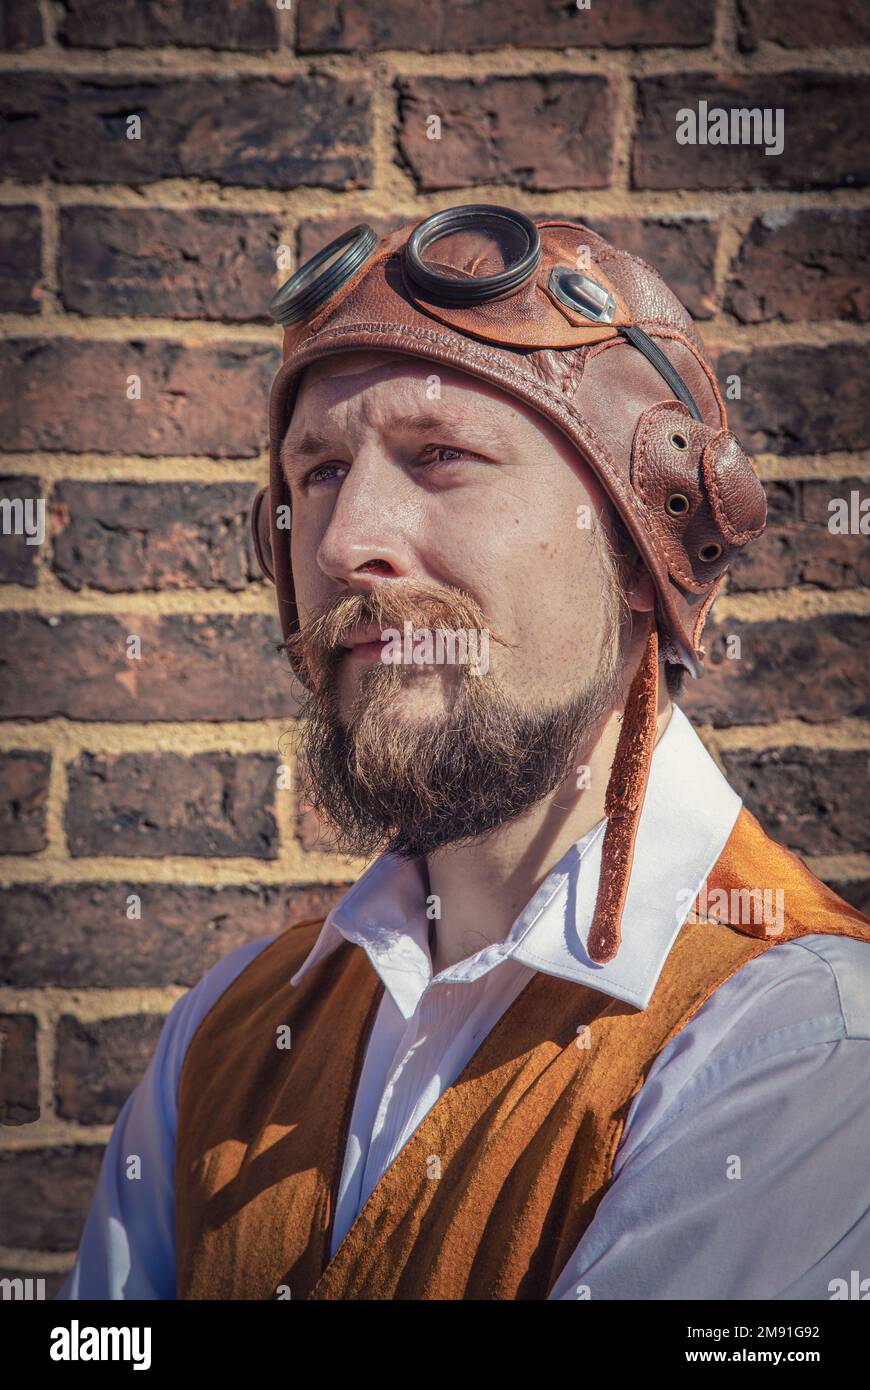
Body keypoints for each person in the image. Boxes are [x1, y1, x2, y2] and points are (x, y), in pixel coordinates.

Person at [58, 206, 870, 1301]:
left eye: (441, 457)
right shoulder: (223, 1036)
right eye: (321, 473)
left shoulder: (804, 1040)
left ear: (645, 545)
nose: (346, 543)